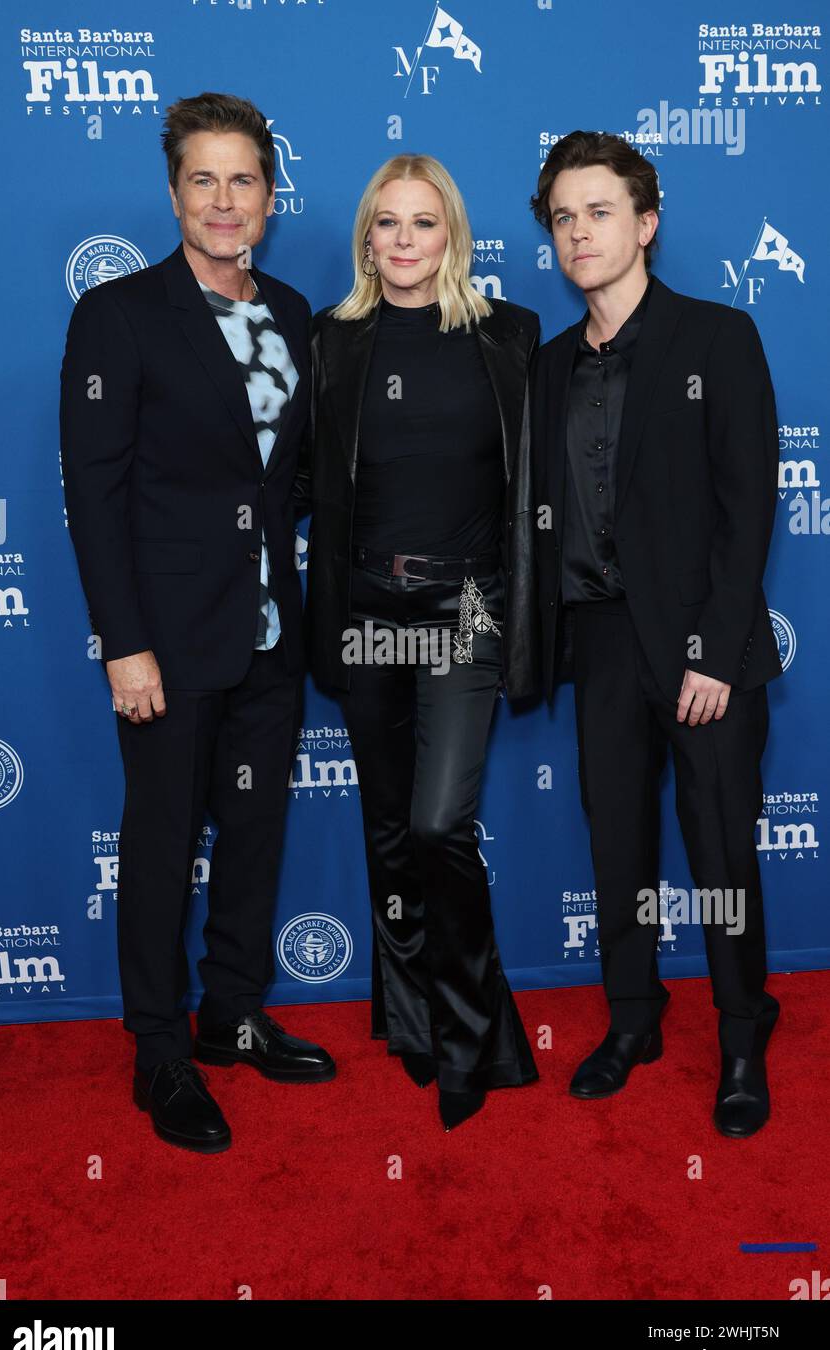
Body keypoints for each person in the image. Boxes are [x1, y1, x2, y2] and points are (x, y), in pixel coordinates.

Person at [60, 92, 334, 1156]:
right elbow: (96, 488)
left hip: (270, 629)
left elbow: (288, 474)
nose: (225, 200)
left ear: (271, 195)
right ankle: (160, 1048)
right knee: (164, 840)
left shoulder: (297, 315)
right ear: (174, 193)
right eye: (203, 179)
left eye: (244, 180)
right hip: (167, 641)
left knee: (256, 828)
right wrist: (124, 642)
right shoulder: (119, 315)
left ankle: (233, 1010)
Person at [530, 130, 782, 1137]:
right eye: (562, 216)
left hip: (700, 651)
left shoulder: (718, 339)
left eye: (599, 211)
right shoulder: (547, 366)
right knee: (618, 845)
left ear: (646, 221)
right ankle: (632, 1017)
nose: (580, 231)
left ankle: (739, 1033)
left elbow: (748, 504)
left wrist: (714, 653)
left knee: (720, 858)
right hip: (597, 645)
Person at [299, 154, 541, 1132]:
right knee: (391, 828)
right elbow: (306, 482)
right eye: (387, 224)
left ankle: (473, 1035)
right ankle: (409, 1020)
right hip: (365, 612)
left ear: (453, 236)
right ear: (367, 237)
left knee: (442, 825)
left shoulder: (508, 335)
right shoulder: (332, 341)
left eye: (423, 223)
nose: (404, 240)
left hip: (465, 614)